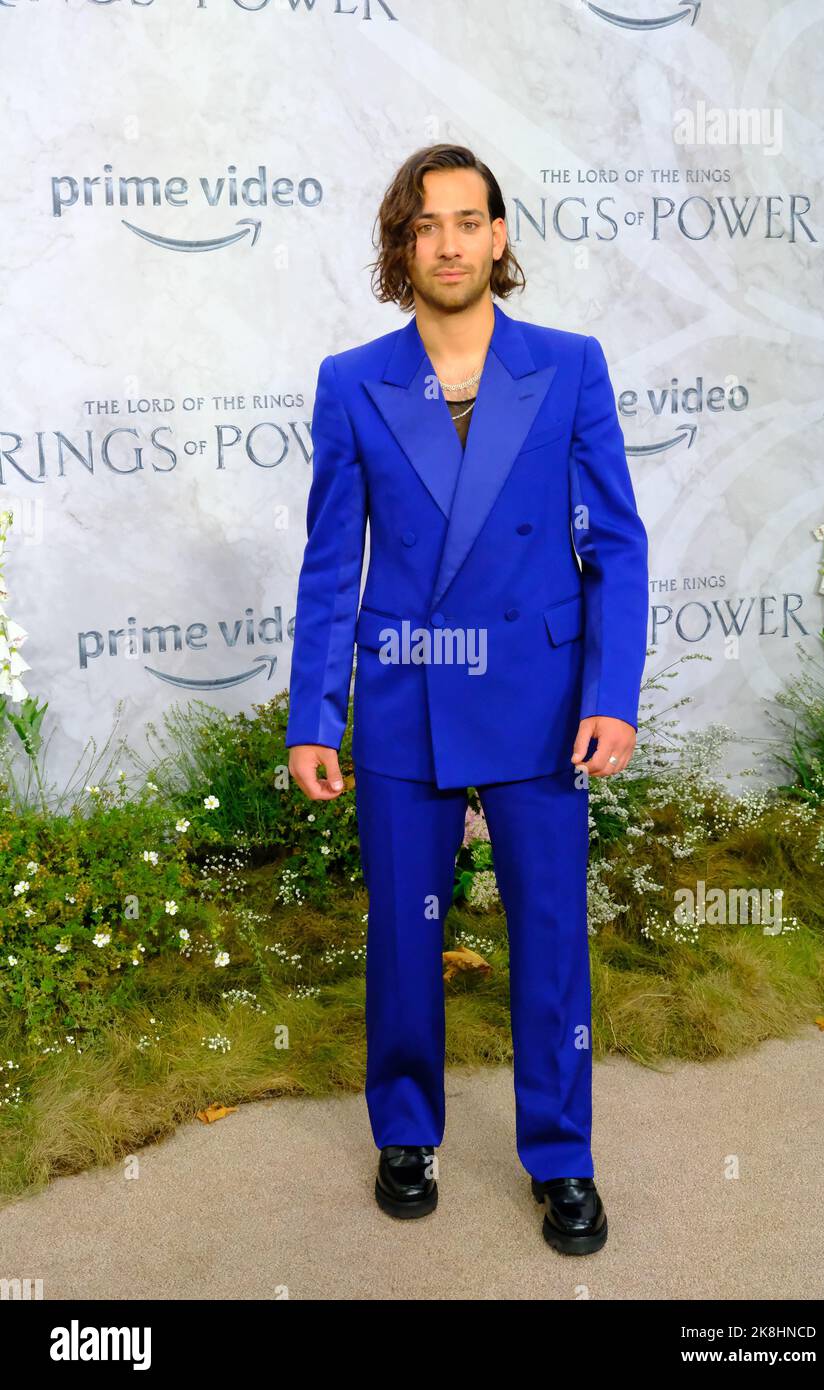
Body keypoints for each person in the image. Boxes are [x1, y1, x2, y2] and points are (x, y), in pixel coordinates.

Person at [286, 143, 649, 1255]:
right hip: (403, 695)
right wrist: (314, 715)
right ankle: (406, 1129)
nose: (448, 241)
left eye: (468, 219)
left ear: (499, 237)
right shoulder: (353, 381)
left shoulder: (569, 365)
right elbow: (326, 562)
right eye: (424, 224)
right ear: (402, 247)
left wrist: (612, 693)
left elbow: (617, 545)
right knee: (405, 930)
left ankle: (561, 1154)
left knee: (549, 932)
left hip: (541, 696)